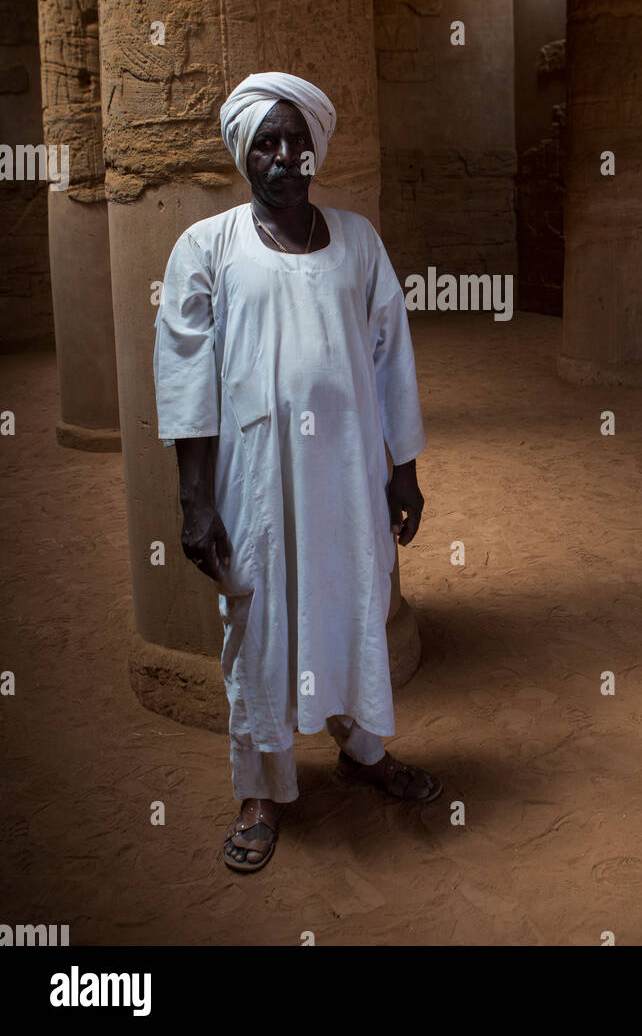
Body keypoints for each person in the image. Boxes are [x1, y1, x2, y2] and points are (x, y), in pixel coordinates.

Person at [153, 71, 441, 873]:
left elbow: (392, 366)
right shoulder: (206, 247)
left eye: (297, 140)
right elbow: (183, 381)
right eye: (268, 141)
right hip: (255, 484)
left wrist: (403, 473)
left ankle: (365, 750)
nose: (285, 155)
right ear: (245, 150)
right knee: (263, 626)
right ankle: (262, 789)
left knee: (353, 605)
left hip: (347, 475)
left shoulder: (357, 240)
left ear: (315, 146)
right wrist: (195, 503)